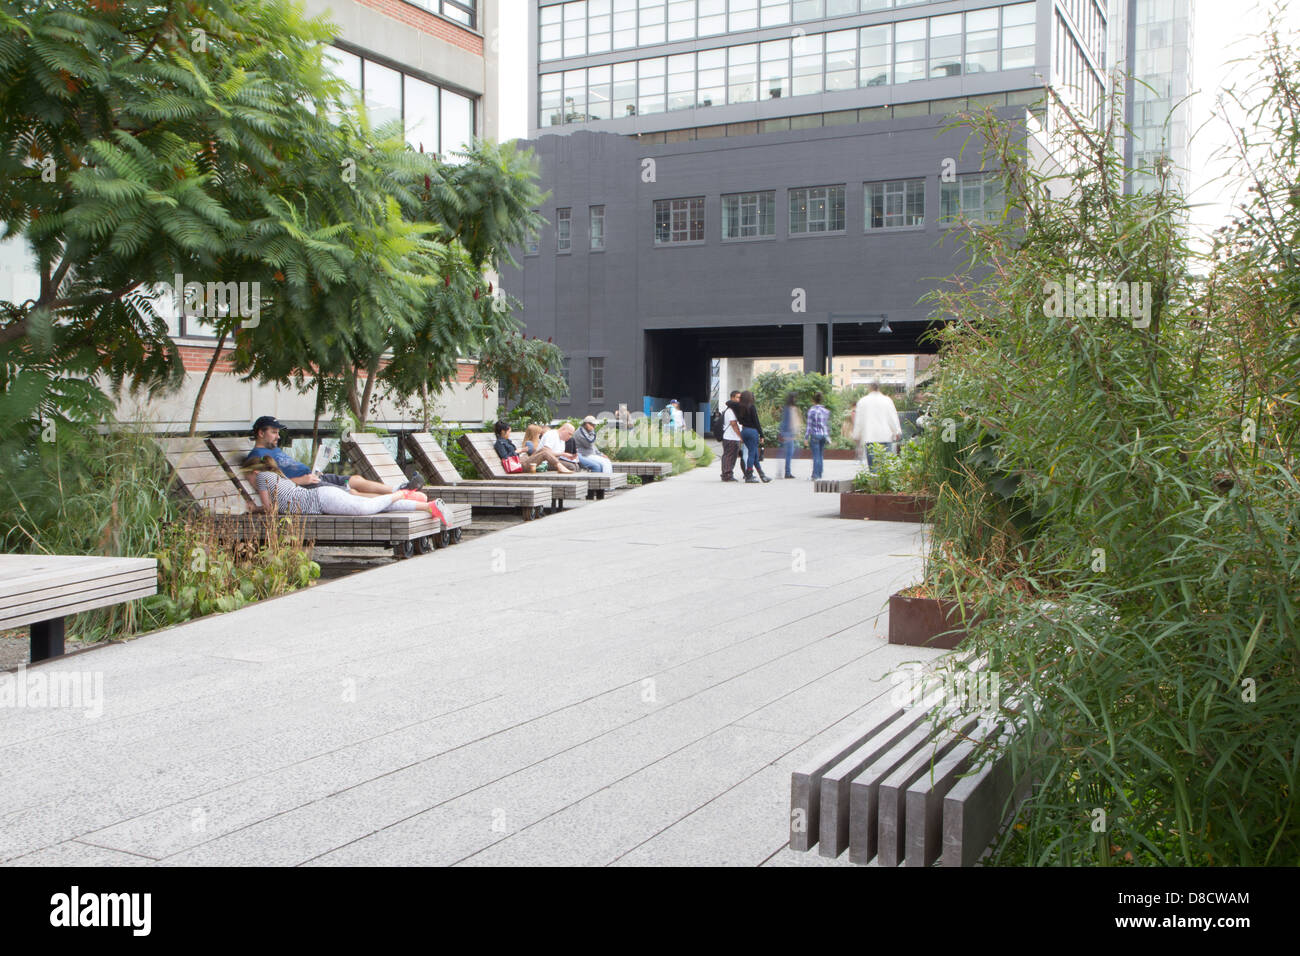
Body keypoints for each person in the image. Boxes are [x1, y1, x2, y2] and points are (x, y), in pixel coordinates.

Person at [243, 416, 421, 495]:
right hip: (302, 489)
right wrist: (301, 481)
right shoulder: (256, 458)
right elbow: (265, 486)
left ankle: (400, 488)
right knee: (350, 492)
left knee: (355, 479)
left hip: (313, 478)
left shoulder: (274, 451)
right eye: (274, 432)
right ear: (260, 433)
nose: (278, 436)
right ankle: (397, 498)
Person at [245, 456, 448, 524]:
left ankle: (400, 493)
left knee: (366, 509)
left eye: (248, 478)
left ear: (254, 471)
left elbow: (270, 510)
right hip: (322, 497)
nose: (249, 481)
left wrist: (254, 509)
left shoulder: (262, 477)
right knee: (379, 507)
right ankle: (428, 507)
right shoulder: (276, 476)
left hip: (322, 500)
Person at [852, 382, 903, 470]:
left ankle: (874, 481)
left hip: (870, 438)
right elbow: (892, 417)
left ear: (870, 388)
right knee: (886, 467)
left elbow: (859, 421)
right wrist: (897, 432)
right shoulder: (887, 400)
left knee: (874, 468)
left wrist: (856, 435)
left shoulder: (863, 401)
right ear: (879, 389)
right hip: (885, 437)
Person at [493, 421, 574, 473]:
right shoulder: (499, 443)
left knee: (543, 450)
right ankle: (559, 466)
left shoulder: (506, 441)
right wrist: (518, 451)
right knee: (544, 453)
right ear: (503, 431)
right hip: (519, 465)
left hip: (522, 460)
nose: (509, 434)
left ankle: (559, 466)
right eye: (508, 432)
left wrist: (520, 451)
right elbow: (505, 458)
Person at [736, 390, 771, 484]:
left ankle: (762, 475)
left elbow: (739, 421)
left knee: (754, 454)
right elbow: (756, 422)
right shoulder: (751, 407)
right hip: (752, 432)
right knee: (752, 454)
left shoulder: (739, 408)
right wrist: (762, 435)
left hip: (744, 431)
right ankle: (749, 475)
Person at [805, 392, 830, 481]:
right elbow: (826, 425)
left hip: (815, 435)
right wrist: (828, 437)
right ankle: (819, 473)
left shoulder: (811, 411)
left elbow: (809, 425)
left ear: (813, 400)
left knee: (816, 455)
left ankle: (815, 475)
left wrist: (806, 438)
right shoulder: (825, 411)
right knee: (820, 454)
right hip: (823, 435)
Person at [720, 390, 743, 482]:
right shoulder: (730, 410)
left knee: (732, 456)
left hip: (733, 437)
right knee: (729, 456)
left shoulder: (735, 410)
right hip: (730, 437)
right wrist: (741, 436)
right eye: (737, 397)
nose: (739, 399)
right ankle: (726, 475)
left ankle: (728, 473)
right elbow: (733, 424)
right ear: (732, 398)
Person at [779, 392, 802, 479]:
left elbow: (784, 422)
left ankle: (784, 471)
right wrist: (796, 432)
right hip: (789, 433)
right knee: (789, 453)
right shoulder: (791, 409)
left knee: (786, 452)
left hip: (787, 432)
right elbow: (793, 422)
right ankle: (787, 472)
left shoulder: (786, 408)